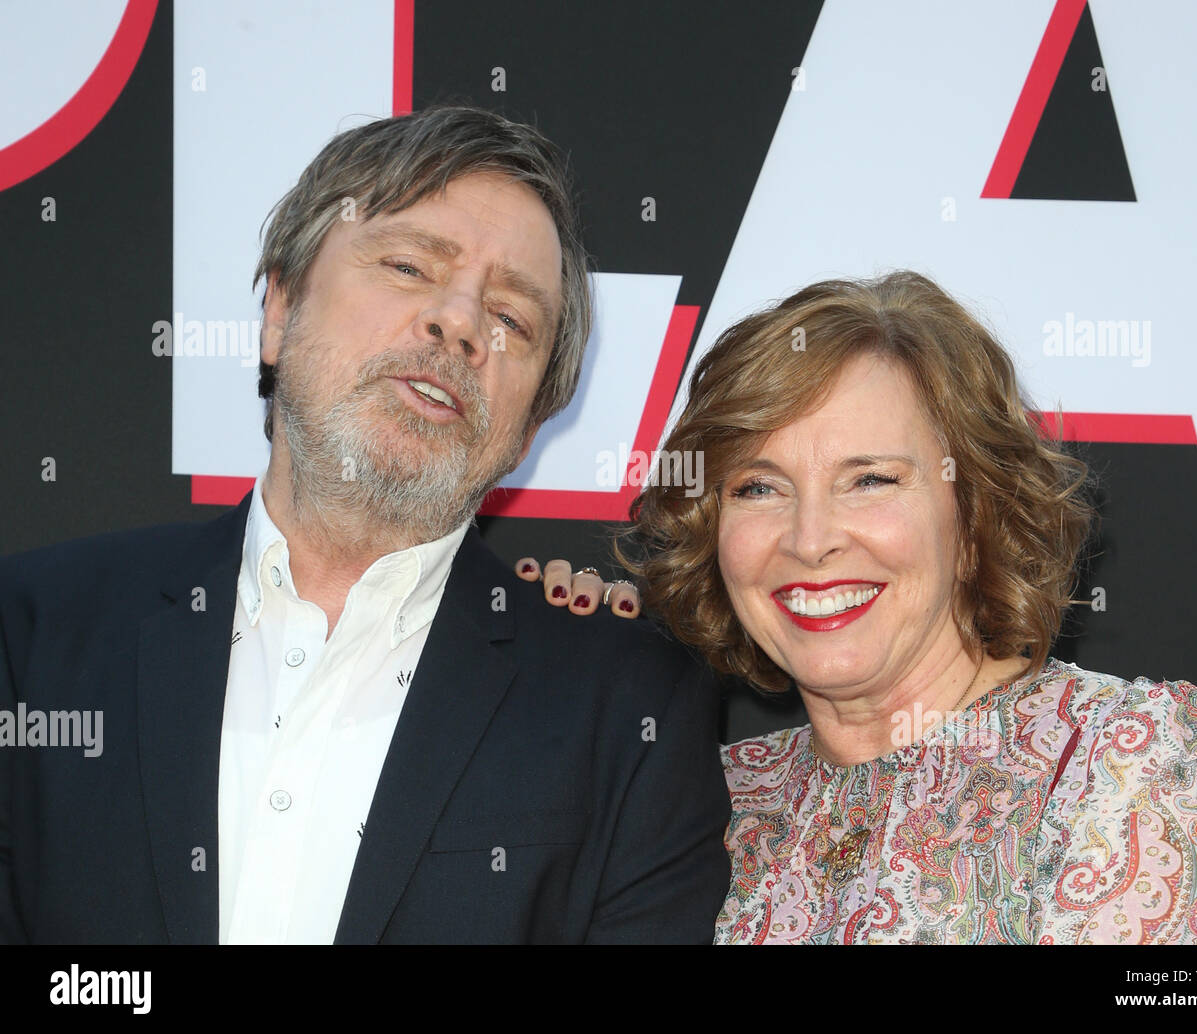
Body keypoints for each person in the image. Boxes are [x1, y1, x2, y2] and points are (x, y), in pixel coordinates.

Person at [0, 105, 731, 944]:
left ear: (530, 429)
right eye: (410, 266)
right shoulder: (33, 634)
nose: (458, 322)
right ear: (279, 310)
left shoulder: (628, 707)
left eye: (512, 320)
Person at [521, 272, 1197, 944]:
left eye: (872, 480)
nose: (810, 539)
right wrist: (552, 691)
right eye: (758, 487)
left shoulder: (1125, 759)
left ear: (976, 512)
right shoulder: (710, 800)